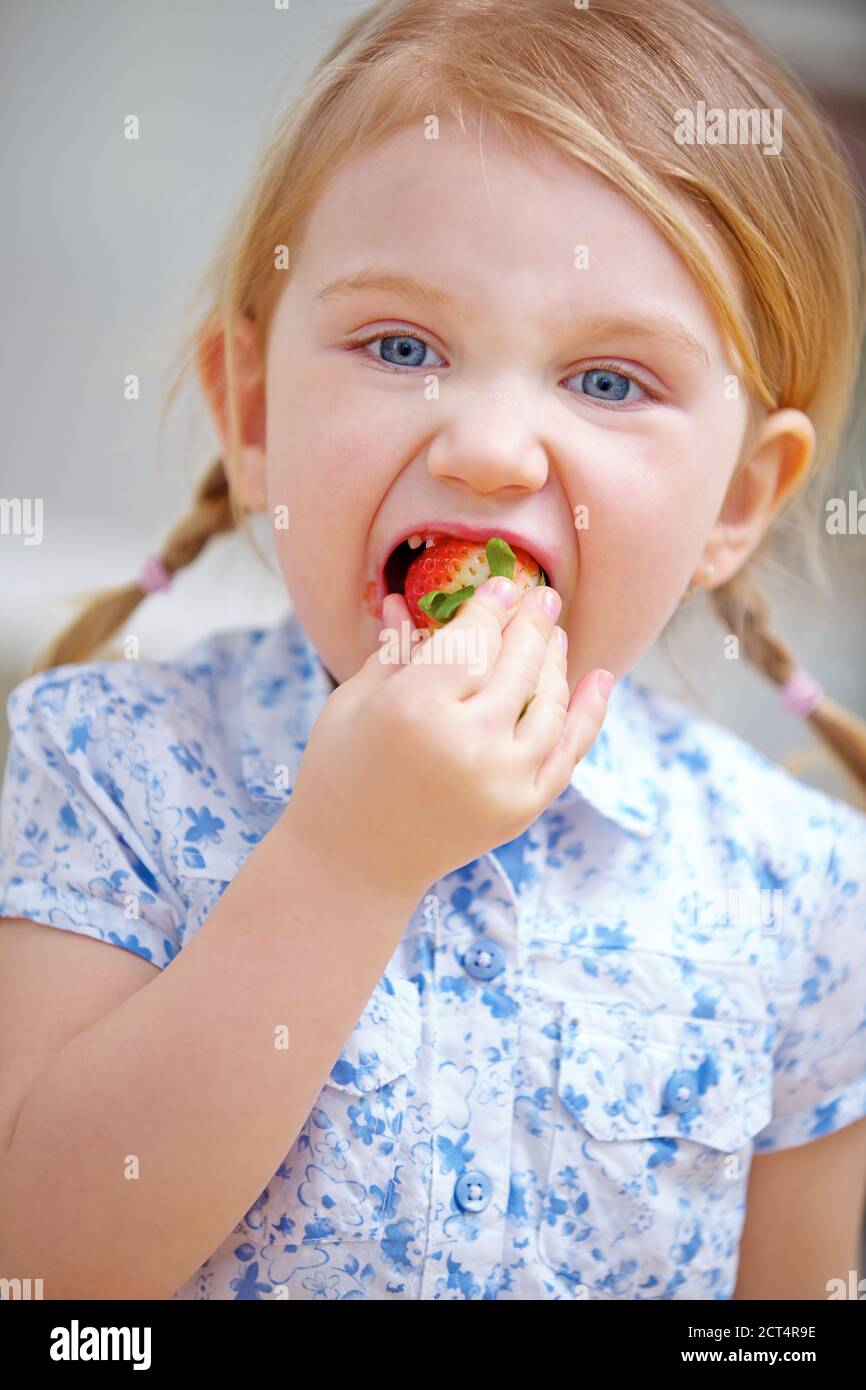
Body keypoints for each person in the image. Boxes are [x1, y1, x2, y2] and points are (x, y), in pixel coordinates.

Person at [1, 0, 865, 1301]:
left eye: (609, 380)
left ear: (738, 499)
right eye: (400, 347)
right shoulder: (103, 766)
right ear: (252, 412)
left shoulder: (805, 891)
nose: (486, 447)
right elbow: (46, 1270)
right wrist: (345, 862)